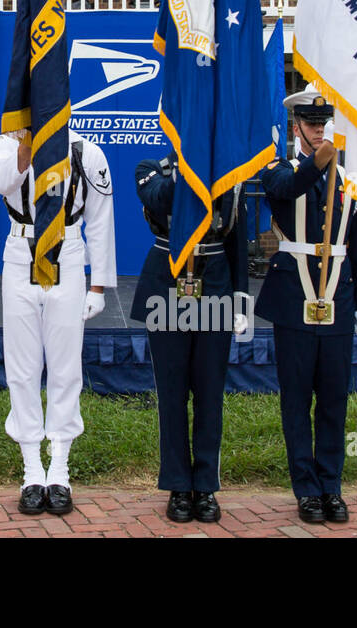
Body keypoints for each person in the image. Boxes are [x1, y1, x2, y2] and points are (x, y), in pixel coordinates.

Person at [0, 127, 116, 516]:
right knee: (22, 367)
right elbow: (2, 183)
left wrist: (98, 286)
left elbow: (100, 220)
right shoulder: (4, 146)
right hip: (20, 252)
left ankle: (59, 467)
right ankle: (32, 469)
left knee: (65, 366)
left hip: (68, 250)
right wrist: (27, 146)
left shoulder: (85, 151)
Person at [258, 86, 357, 524]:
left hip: (338, 296)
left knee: (334, 399)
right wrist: (319, 159)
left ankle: (331, 486)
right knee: (296, 399)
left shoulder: (352, 181)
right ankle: (305, 489)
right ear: (296, 128)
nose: (319, 130)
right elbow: (290, 188)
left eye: (324, 123)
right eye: (311, 123)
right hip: (294, 297)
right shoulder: (277, 168)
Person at [132, 153, 248, 524]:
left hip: (214, 282)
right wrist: (187, 169)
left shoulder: (228, 175)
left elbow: (237, 239)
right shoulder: (151, 170)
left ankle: (206, 485)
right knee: (172, 392)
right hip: (166, 283)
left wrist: (240, 299)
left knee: (210, 391)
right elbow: (159, 199)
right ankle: (179, 485)